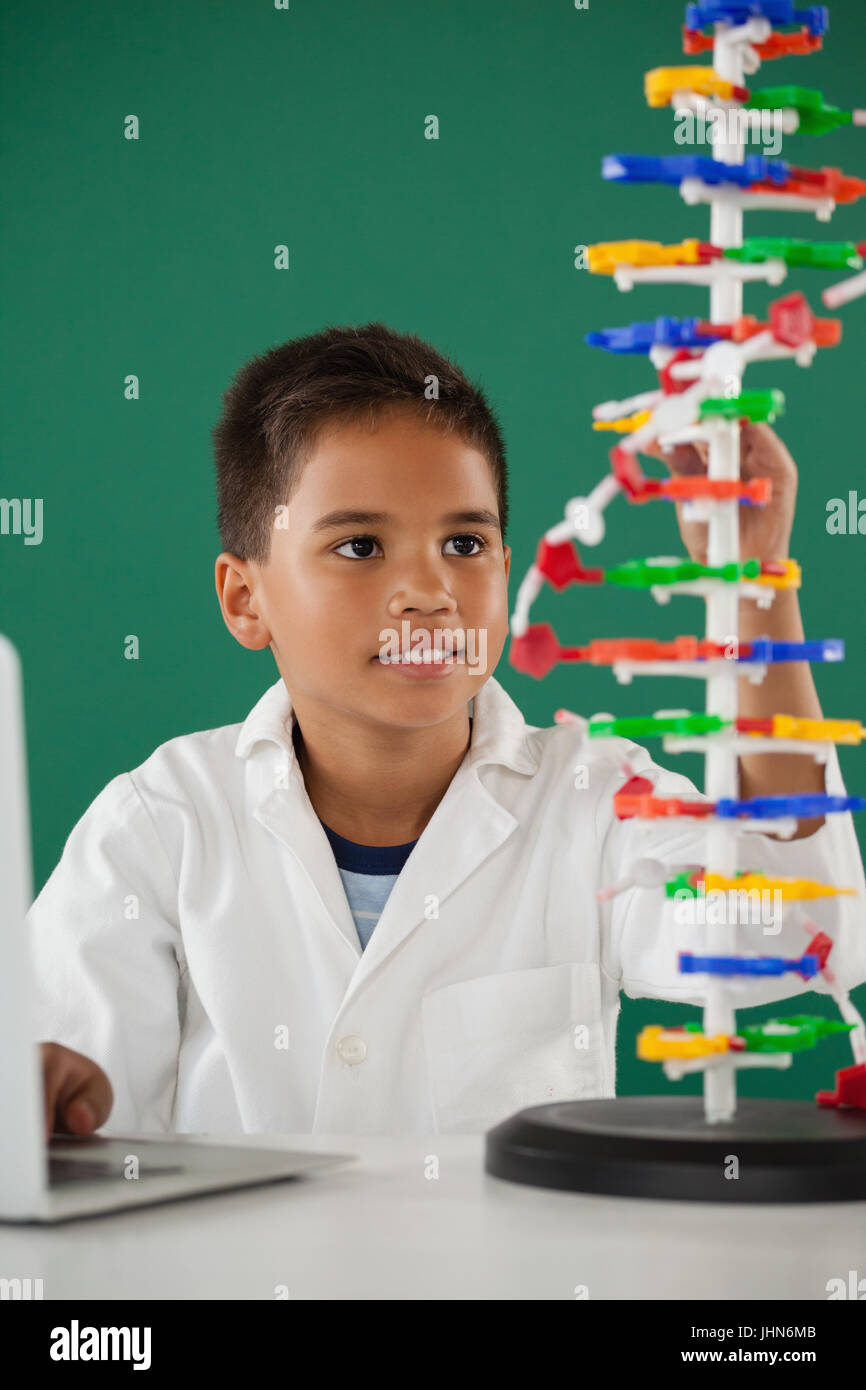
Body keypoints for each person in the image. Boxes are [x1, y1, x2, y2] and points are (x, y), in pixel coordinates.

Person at [30, 322, 866, 1138]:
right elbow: (74, 1122)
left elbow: (801, 929)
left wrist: (754, 580)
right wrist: (48, 1104)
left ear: (506, 570)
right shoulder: (157, 829)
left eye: (465, 541)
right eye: (360, 547)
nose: (428, 592)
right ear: (246, 599)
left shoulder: (596, 800)